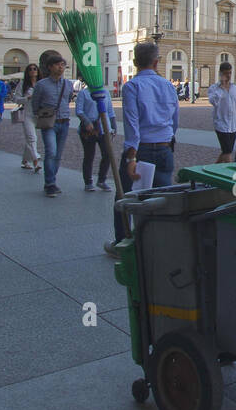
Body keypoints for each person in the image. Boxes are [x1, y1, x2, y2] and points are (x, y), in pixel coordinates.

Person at [105, 40, 180, 257]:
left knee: (125, 199)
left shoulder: (132, 86)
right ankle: (155, 243)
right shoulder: (168, 86)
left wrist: (131, 157)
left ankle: (122, 244)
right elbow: (175, 121)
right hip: (165, 149)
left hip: (142, 150)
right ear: (157, 62)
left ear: (136, 62)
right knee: (160, 200)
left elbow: (132, 125)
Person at [30, 51, 76, 197]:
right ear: (50, 67)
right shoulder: (41, 85)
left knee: (58, 155)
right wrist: (42, 115)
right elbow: (35, 104)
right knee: (51, 152)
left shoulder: (68, 84)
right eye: (57, 65)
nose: (60, 68)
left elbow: (68, 99)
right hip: (49, 123)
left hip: (64, 122)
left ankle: (51, 181)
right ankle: (50, 183)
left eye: (63, 65)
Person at [76, 78, 117, 192]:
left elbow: (110, 111)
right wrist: (86, 121)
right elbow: (79, 110)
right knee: (89, 155)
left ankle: (102, 180)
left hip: (104, 128)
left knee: (108, 154)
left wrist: (114, 126)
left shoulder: (105, 92)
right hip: (90, 129)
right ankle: (88, 182)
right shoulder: (83, 93)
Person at [208, 61, 236, 164]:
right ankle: (230, 175)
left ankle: (213, 169)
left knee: (226, 151)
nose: (228, 75)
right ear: (221, 74)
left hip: (233, 126)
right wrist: (222, 87)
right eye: (226, 73)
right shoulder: (214, 88)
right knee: (228, 152)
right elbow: (213, 102)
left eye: (230, 73)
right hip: (221, 125)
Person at [16, 63, 43, 171]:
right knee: (32, 138)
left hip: (40, 114)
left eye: (35, 69)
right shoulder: (23, 84)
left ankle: (25, 160)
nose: (33, 71)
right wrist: (27, 98)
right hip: (27, 114)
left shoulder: (41, 83)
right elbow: (16, 99)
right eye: (30, 69)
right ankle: (36, 162)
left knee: (30, 140)